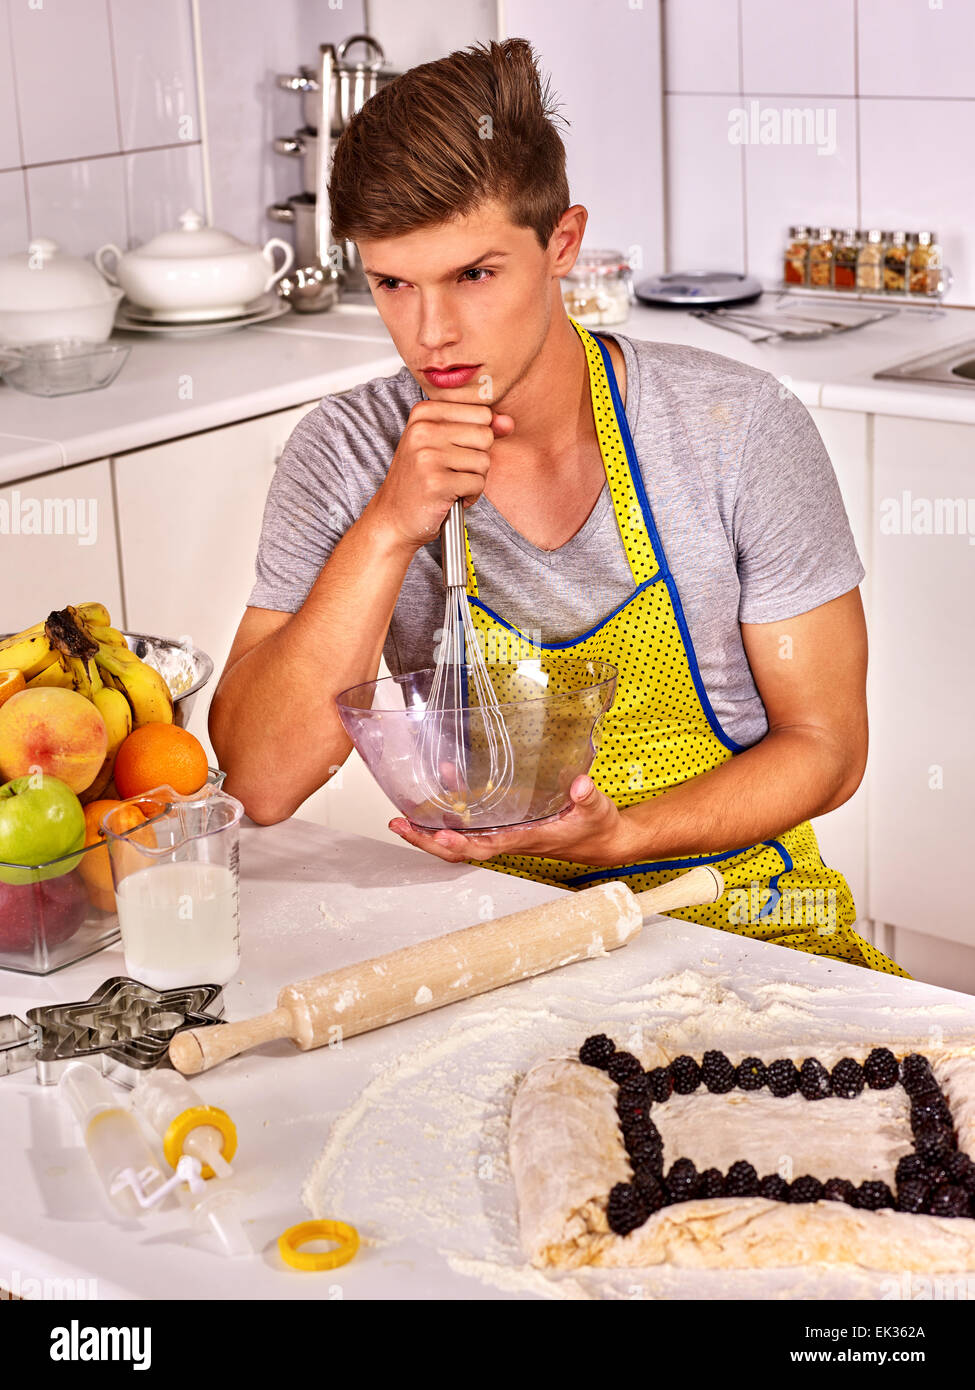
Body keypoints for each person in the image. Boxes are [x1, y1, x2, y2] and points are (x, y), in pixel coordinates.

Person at [210, 38, 905, 976]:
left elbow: (828, 750)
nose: (432, 333)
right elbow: (259, 781)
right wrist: (387, 529)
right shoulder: (341, 453)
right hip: (487, 938)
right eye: (393, 285)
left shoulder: (733, 430)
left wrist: (621, 839)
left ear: (562, 244)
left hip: (740, 921)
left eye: (475, 274)